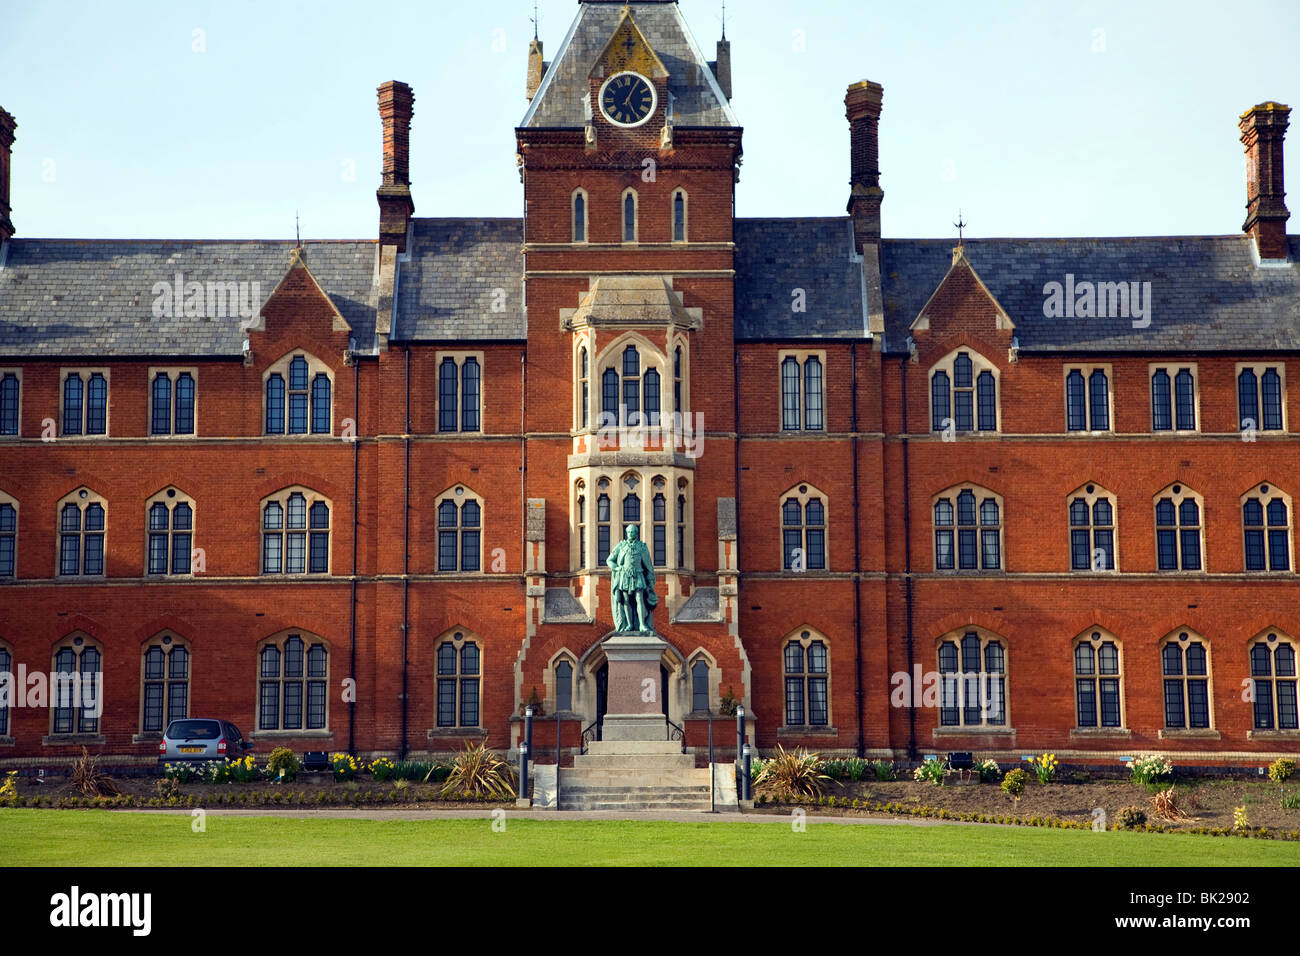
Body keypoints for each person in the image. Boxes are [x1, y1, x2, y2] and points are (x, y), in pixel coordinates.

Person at [606, 524, 658, 633]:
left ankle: (642, 624)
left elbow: (648, 565)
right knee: (626, 601)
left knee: (639, 599)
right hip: (624, 576)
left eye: (633, 532)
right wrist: (617, 568)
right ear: (626, 533)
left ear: (636, 533)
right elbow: (609, 560)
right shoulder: (621, 546)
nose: (630, 534)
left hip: (638, 575)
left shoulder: (642, 547)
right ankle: (629, 624)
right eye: (629, 532)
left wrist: (650, 579)